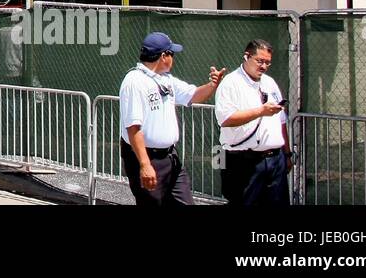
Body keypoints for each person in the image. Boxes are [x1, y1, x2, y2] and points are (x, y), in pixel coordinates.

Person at [118, 31, 225, 206]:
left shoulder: (165, 79)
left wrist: (213, 84)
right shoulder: (134, 81)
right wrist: (145, 165)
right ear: (163, 56)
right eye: (172, 54)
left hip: (170, 157)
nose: (173, 59)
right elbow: (133, 128)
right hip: (147, 158)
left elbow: (193, 95)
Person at [215, 39, 291, 206]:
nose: (263, 66)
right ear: (246, 56)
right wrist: (261, 111)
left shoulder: (269, 82)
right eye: (260, 61)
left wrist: (287, 153)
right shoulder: (231, 83)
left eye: (267, 63)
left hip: (275, 159)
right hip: (245, 162)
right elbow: (226, 119)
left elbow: (281, 120)